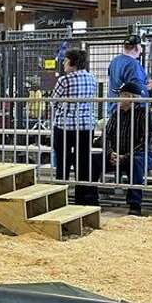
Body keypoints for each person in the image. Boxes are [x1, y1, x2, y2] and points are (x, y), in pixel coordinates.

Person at [50, 48, 100, 205]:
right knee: (83, 162)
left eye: (65, 60)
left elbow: (54, 101)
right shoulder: (92, 78)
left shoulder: (64, 80)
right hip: (86, 126)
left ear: (72, 62)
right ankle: (82, 199)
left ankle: (61, 198)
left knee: (63, 162)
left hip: (65, 126)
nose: (64, 63)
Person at [105, 81, 152, 216]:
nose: (118, 97)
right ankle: (89, 197)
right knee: (93, 159)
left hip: (140, 155)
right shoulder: (117, 114)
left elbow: (147, 142)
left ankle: (135, 204)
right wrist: (111, 153)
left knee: (136, 161)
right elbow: (106, 136)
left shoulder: (147, 114)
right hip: (116, 155)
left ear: (131, 97)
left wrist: (125, 156)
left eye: (122, 94)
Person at [106, 35, 152, 113]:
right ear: (137, 47)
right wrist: (149, 87)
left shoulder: (115, 61)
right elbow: (136, 89)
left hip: (114, 107)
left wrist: (146, 82)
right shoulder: (133, 64)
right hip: (130, 112)